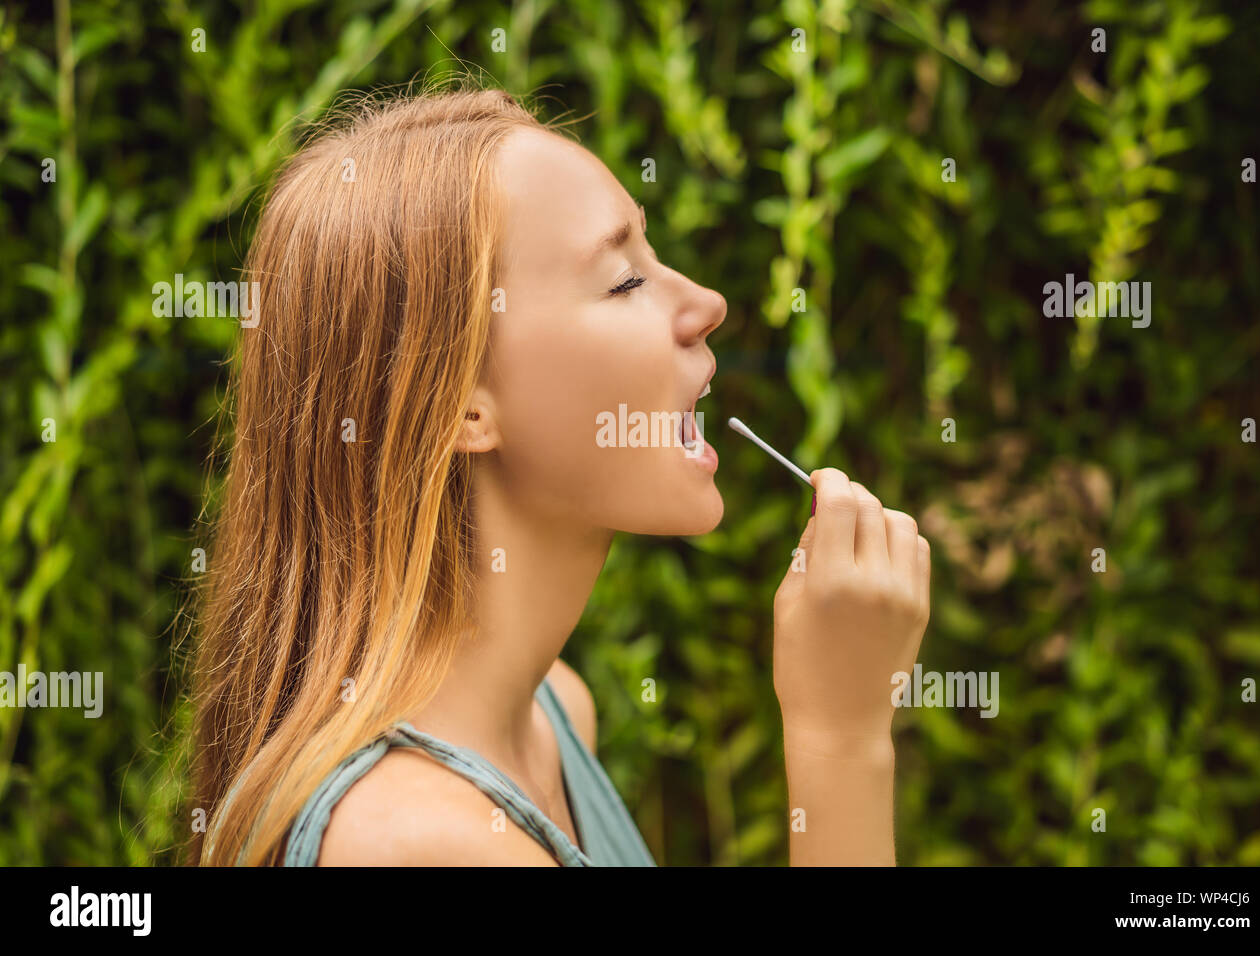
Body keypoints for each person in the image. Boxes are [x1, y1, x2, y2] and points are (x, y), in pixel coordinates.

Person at [186, 80, 930, 867]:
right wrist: (840, 737)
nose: (707, 303)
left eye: (652, 254)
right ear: (460, 408)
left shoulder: (554, 713)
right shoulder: (420, 843)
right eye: (625, 282)